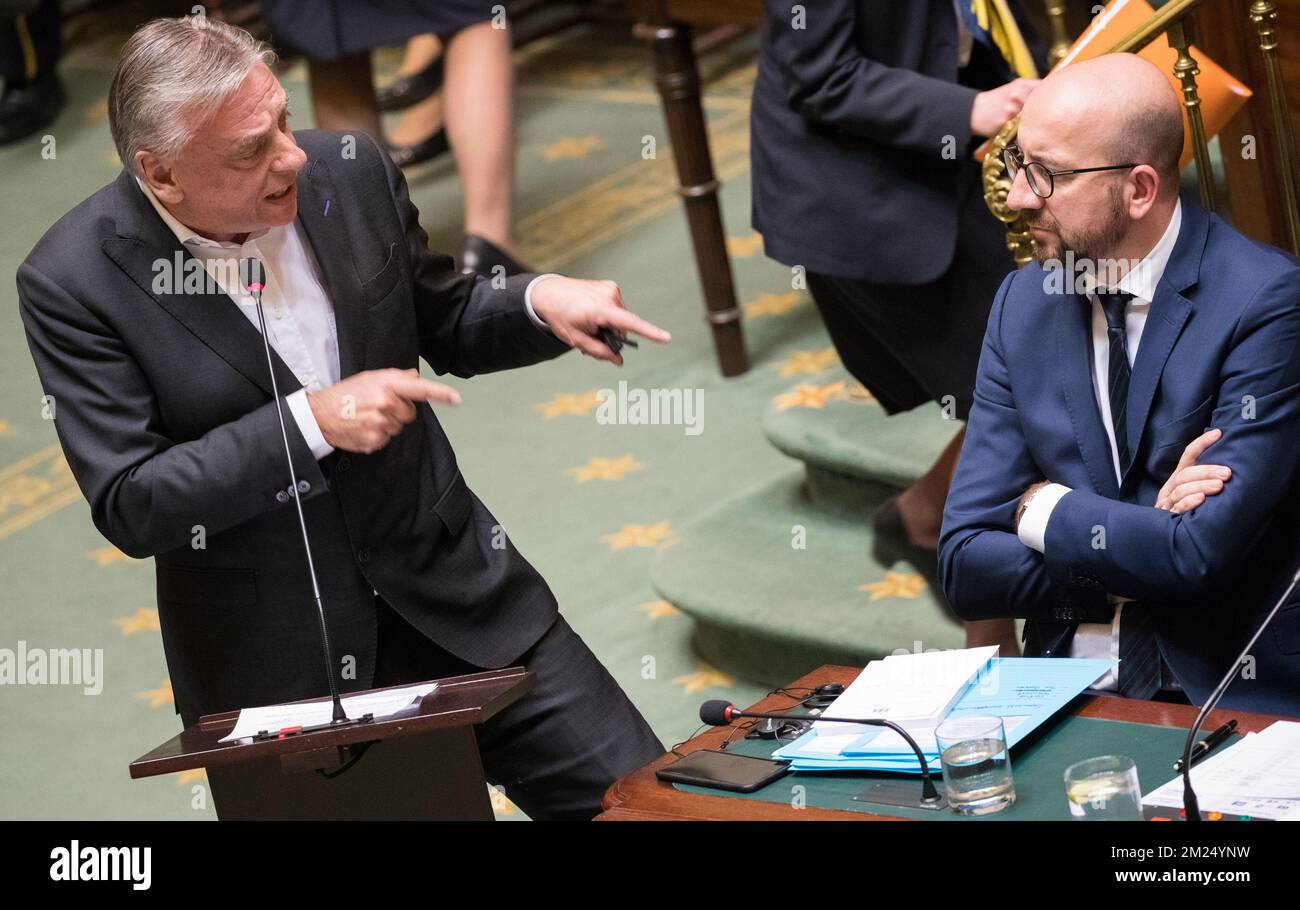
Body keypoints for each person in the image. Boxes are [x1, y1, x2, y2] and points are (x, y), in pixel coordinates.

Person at [17, 16, 671, 818]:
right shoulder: (73, 279)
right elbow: (134, 501)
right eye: (250, 150)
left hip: (466, 601)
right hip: (290, 681)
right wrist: (310, 424)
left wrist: (538, 302)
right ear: (162, 173)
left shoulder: (349, 171)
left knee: (656, 809)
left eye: (282, 122)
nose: (290, 155)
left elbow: (443, 315)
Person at [939, 54, 1300, 717]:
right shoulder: (1023, 302)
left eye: (1047, 175)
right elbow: (964, 562)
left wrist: (1041, 511)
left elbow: (1198, 557)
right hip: (1065, 692)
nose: (1018, 196)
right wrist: (1145, 539)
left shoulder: (1264, 302)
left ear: (1137, 189)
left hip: (1231, 691)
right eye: (1021, 162)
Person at [750, 0, 1045, 654]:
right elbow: (820, 75)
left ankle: (928, 516)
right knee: (1023, 390)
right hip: (853, 179)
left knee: (1036, 373)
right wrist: (968, 112)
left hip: (970, 125)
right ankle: (992, 654)